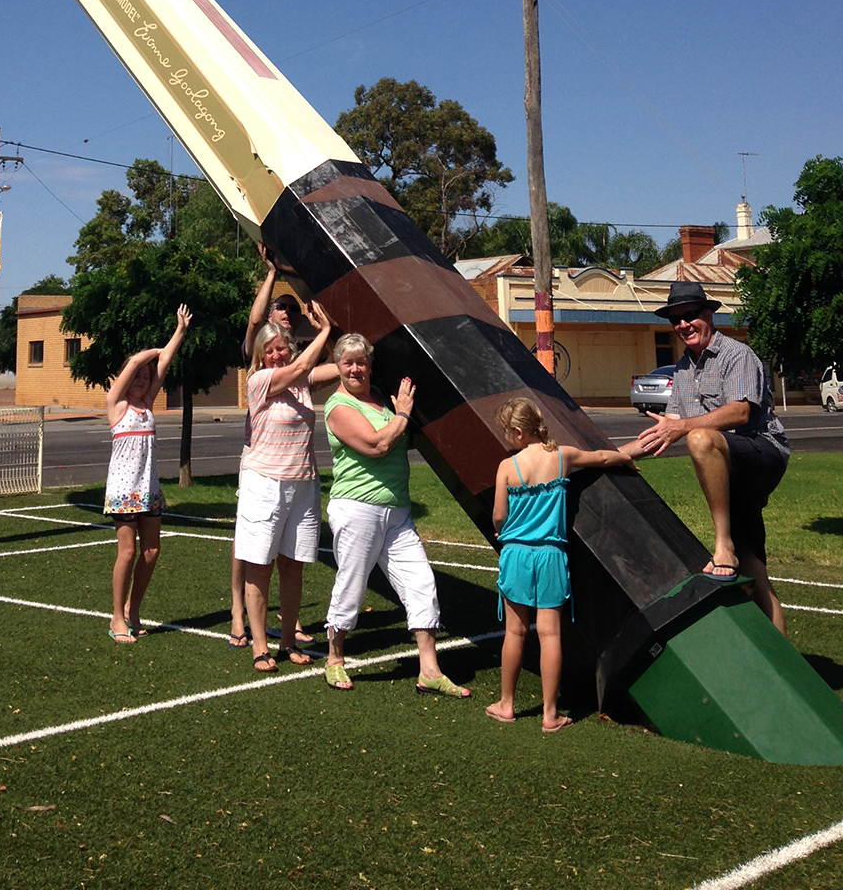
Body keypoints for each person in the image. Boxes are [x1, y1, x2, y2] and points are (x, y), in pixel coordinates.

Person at [634, 280, 789, 632]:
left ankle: (722, 544)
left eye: (690, 315)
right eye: (675, 320)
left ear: (708, 315)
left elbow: (741, 414)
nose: (683, 325)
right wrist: (604, 455)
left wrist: (686, 426)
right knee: (754, 570)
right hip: (729, 469)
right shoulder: (684, 370)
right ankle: (787, 666)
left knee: (701, 438)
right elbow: (668, 427)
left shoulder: (738, 355)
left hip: (762, 451)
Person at [321, 333, 469, 697]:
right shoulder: (338, 407)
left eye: (361, 362)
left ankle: (429, 670)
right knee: (352, 587)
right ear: (338, 367)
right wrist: (402, 414)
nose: (355, 368)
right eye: (348, 363)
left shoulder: (381, 398)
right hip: (357, 510)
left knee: (421, 584)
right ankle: (334, 659)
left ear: (371, 364)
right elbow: (377, 444)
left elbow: (403, 435)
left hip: (397, 511)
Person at [486, 398, 640, 732]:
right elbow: (600, 458)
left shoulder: (506, 467)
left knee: (514, 630)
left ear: (517, 431)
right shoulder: (561, 456)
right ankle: (550, 714)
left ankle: (506, 704)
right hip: (552, 555)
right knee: (550, 632)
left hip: (516, 555)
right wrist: (627, 455)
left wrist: (503, 528)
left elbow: (499, 515)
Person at [235, 302, 337, 671]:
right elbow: (302, 366)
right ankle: (260, 646)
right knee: (260, 565)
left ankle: (289, 642)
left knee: (294, 567)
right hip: (265, 484)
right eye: (271, 349)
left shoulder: (302, 385)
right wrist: (324, 331)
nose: (278, 354)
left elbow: (341, 365)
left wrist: (333, 330)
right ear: (261, 355)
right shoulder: (259, 381)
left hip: (303, 484)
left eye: (283, 348)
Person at [229, 247, 316, 649]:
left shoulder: (294, 354)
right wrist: (271, 275)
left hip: (296, 472)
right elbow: (255, 319)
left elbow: (314, 366)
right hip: (259, 462)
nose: (285, 312)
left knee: (286, 556)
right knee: (250, 549)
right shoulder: (258, 361)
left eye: (291, 310)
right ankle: (237, 614)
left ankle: (288, 627)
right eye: (280, 308)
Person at [103, 305, 192, 643]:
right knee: (126, 552)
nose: (141, 380)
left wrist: (179, 330)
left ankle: (133, 609)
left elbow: (164, 363)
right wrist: (146, 355)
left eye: (145, 377)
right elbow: (134, 365)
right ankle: (116, 618)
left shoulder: (148, 404)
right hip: (124, 491)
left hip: (149, 490)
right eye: (137, 376)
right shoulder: (117, 406)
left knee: (151, 553)